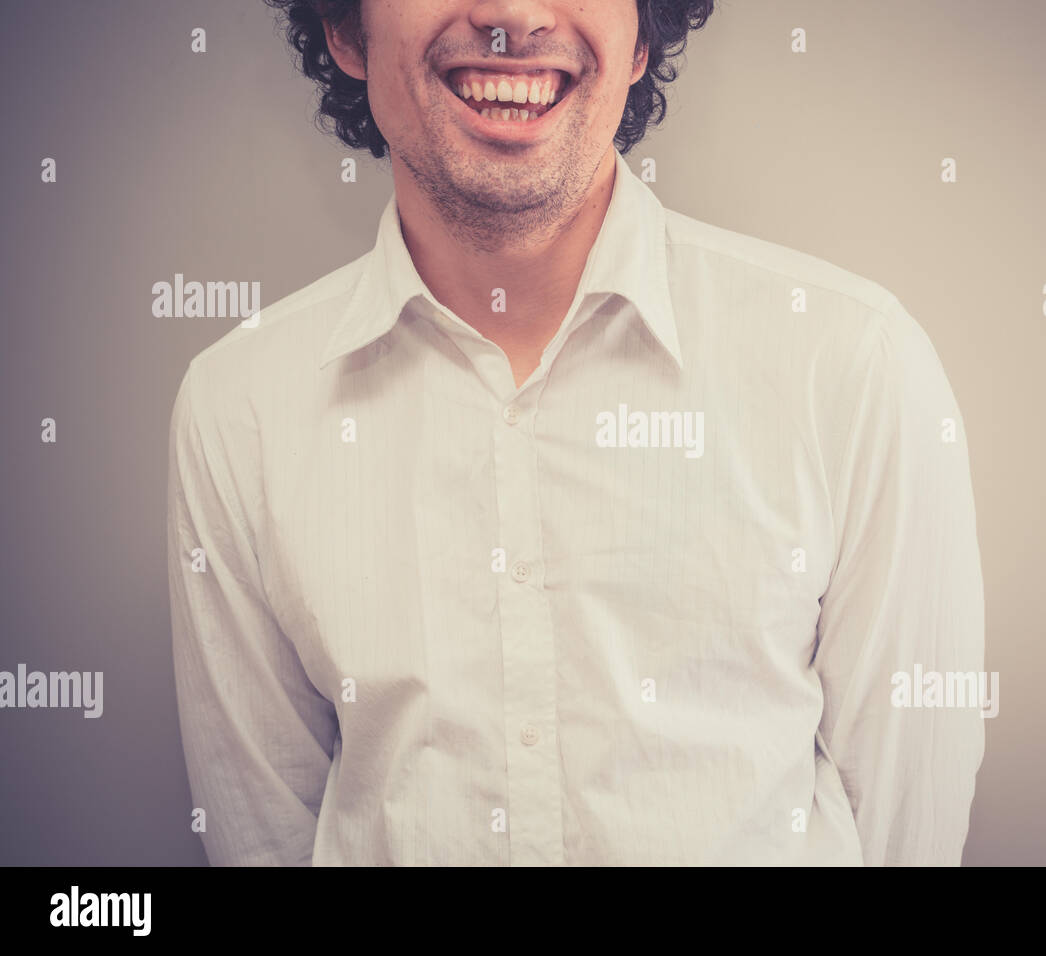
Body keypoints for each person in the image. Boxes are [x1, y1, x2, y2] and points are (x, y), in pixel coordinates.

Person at [166, 0, 986, 866]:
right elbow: (263, 837)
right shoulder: (239, 410)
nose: (511, 16)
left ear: (642, 33)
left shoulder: (852, 363)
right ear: (344, 30)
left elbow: (906, 825)